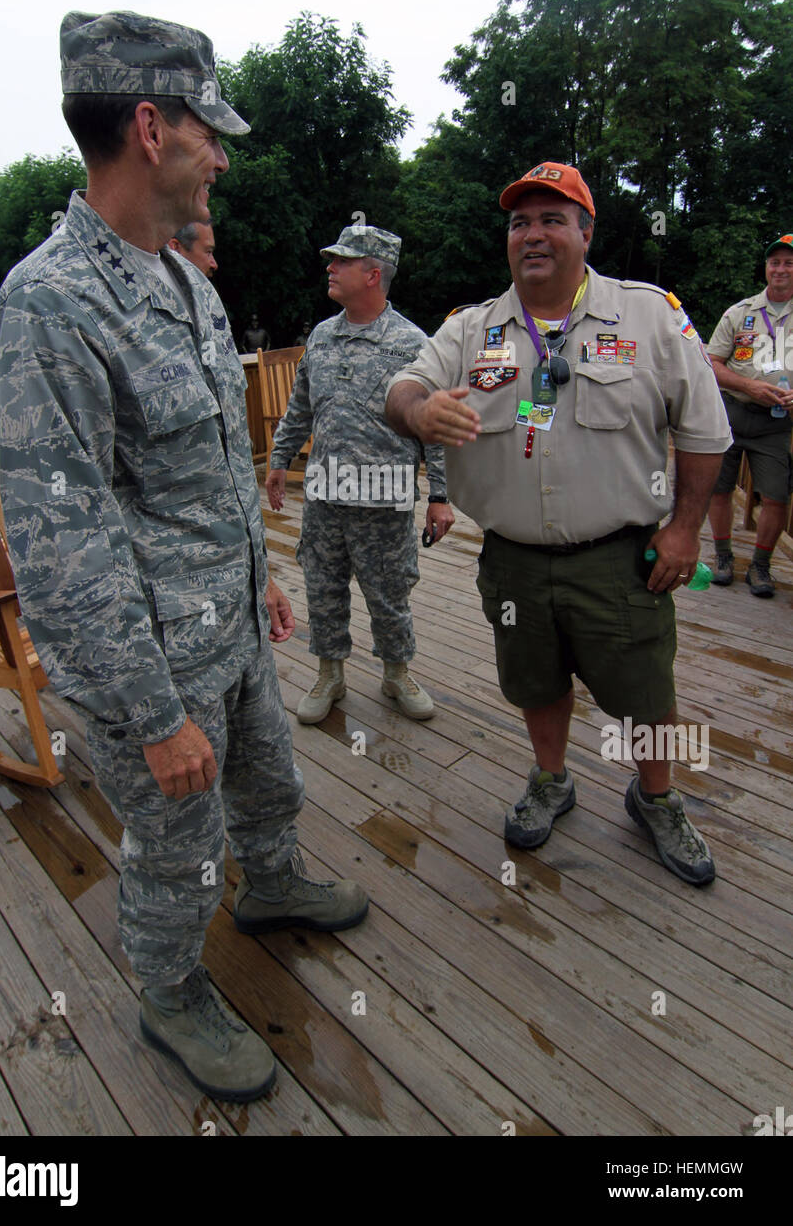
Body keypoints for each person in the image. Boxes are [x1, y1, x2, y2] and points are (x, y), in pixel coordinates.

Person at [0, 10, 368, 1105]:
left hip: (227, 622)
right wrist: (152, 715)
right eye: (209, 128)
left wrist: (258, 584)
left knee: (267, 780)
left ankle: (274, 881)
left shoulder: (181, 281)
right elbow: (64, 544)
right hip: (154, 661)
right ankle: (170, 989)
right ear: (150, 127)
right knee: (171, 846)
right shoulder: (53, 304)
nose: (223, 153)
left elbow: (203, 459)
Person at [385, 162, 731, 885]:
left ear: (585, 231)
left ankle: (656, 797)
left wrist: (685, 530)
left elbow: (704, 431)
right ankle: (553, 780)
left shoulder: (650, 316)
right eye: (519, 222)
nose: (532, 234)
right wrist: (418, 410)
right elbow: (404, 385)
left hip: (620, 557)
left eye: (551, 218)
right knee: (535, 682)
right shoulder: (472, 327)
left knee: (645, 691)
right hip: (511, 557)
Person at [266, 224, 454, 724]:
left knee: (389, 593)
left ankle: (396, 674)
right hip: (325, 498)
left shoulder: (413, 344)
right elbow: (299, 407)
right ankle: (330, 674)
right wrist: (279, 460)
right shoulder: (322, 337)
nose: (330, 267)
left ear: (373, 274)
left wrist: (440, 495)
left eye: (342, 261)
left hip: (385, 501)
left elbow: (433, 428)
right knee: (323, 589)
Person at [705, 234, 793, 596]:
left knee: (775, 497)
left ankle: (760, 566)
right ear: (766, 268)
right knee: (720, 488)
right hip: (731, 413)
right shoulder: (739, 313)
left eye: (789, 263)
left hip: (776, 425)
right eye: (775, 262)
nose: (781, 269)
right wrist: (750, 386)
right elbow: (711, 362)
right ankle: (723, 557)